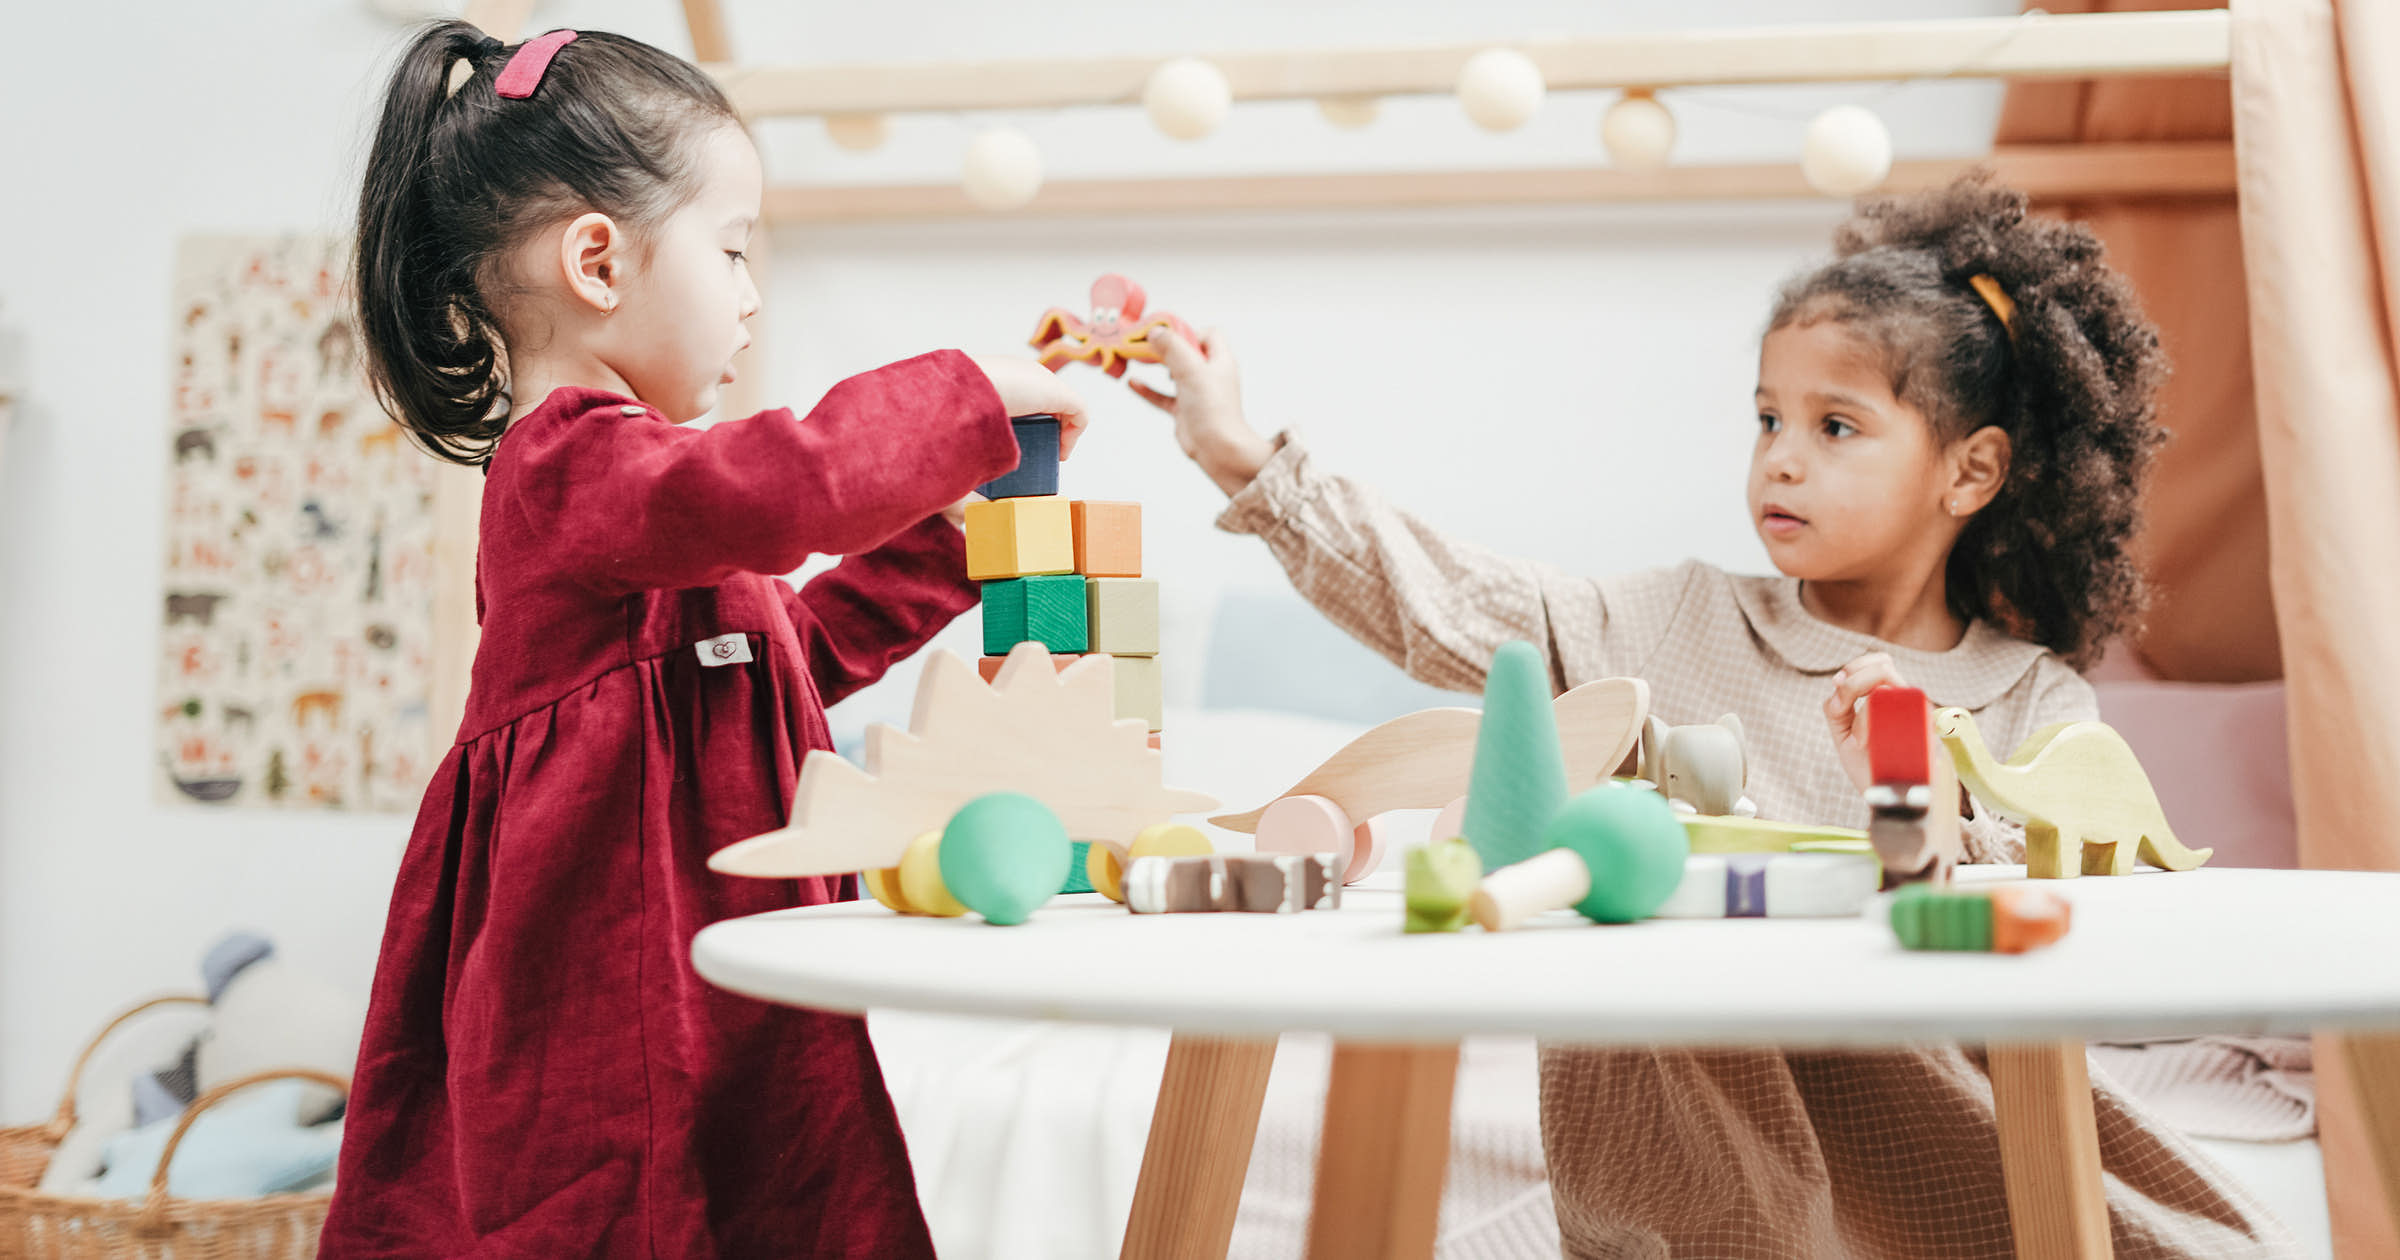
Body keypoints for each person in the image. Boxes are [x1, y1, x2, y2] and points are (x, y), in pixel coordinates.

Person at [1139, 174, 2291, 1257]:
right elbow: (1441, 599)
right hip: (1702, 1149)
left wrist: (1923, 796)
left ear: (1971, 472)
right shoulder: (1672, 622)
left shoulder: (2031, 696)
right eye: (1766, 420)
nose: (1779, 462)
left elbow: (2066, 910)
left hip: (1937, 1126)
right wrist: (1238, 452)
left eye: (1834, 428)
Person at [322, 22, 1085, 1257]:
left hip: (719, 979)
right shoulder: (570, 468)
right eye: (731, 251)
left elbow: (793, 651)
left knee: (773, 1195)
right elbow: (780, 493)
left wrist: (955, 537)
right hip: (608, 997)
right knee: (627, 1213)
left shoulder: (657, 515)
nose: (750, 293)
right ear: (598, 263)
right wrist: (963, 399)